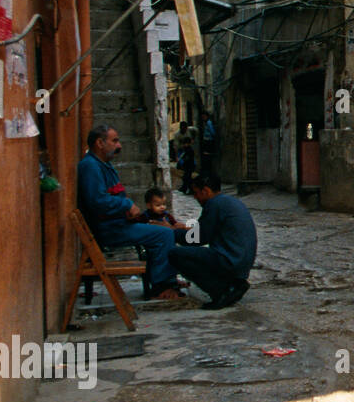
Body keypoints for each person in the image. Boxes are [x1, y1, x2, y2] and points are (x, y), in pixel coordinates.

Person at [77, 123, 181, 299]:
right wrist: (126, 205)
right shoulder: (91, 166)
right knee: (163, 235)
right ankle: (162, 286)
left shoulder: (103, 165)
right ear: (99, 143)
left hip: (117, 223)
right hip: (109, 229)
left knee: (163, 230)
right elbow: (97, 201)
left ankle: (165, 279)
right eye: (114, 141)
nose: (119, 146)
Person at [171, 173, 256, 311]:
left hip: (230, 261)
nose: (195, 197)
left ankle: (220, 291)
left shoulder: (214, 204)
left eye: (196, 193)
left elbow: (198, 238)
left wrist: (171, 233)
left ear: (206, 191)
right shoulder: (228, 201)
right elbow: (207, 229)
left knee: (175, 254)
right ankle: (233, 284)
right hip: (241, 262)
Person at [199, 112, 217, 178]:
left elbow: (212, 132)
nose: (203, 118)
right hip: (207, 141)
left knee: (208, 157)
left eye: (204, 117)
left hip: (209, 142)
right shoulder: (206, 123)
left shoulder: (209, 123)